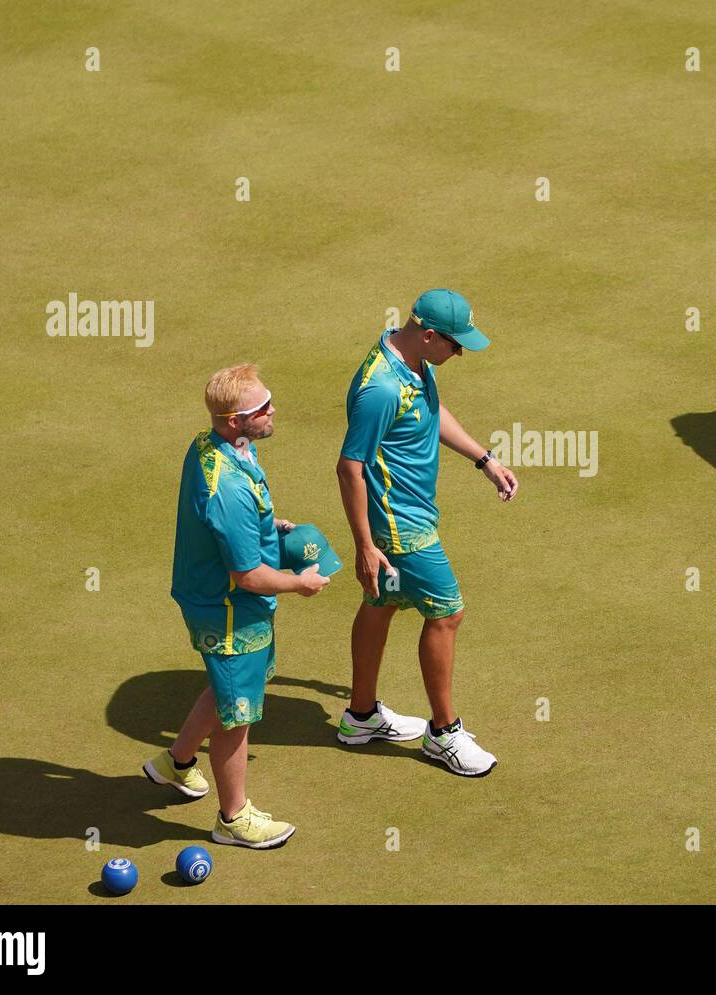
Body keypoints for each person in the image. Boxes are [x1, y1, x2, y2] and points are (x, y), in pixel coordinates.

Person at [335, 289, 518, 776]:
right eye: (455, 345)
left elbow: (433, 414)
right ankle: (444, 733)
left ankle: (360, 717)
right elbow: (349, 467)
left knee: (383, 603)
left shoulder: (415, 361)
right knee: (448, 614)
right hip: (400, 528)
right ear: (430, 335)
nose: (459, 354)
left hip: (409, 516)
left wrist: (485, 459)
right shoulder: (380, 389)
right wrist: (366, 547)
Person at [145, 364, 327, 848]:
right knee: (238, 713)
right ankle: (233, 819)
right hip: (228, 609)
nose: (273, 411)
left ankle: (177, 763)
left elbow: (234, 523)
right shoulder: (226, 485)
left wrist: (268, 527)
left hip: (217, 597)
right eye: (261, 409)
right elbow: (248, 576)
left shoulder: (216, 445)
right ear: (233, 421)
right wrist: (298, 583)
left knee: (226, 684)